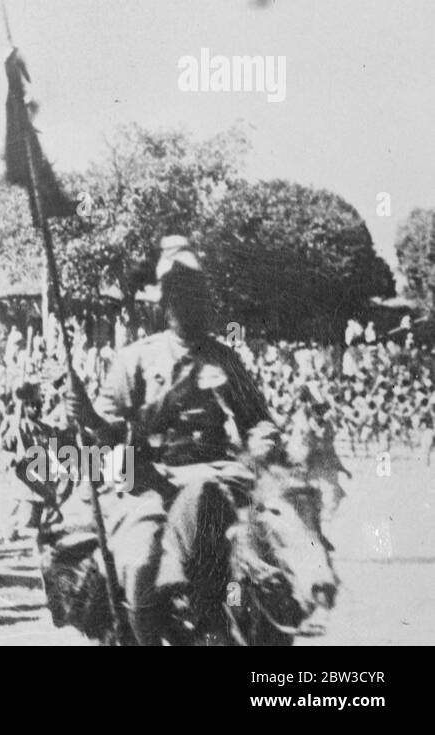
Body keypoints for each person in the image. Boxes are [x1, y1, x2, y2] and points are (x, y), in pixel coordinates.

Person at [81, 236, 276, 645]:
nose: (188, 301)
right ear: (164, 300)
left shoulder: (226, 360)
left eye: (195, 291)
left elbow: (258, 421)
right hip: (154, 485)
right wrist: (85, 418)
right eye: (178, 291)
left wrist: (264, 440)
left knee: (274, 559)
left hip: (223, 481)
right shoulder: (134, 360)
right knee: (141, 559)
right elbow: (105, 436)